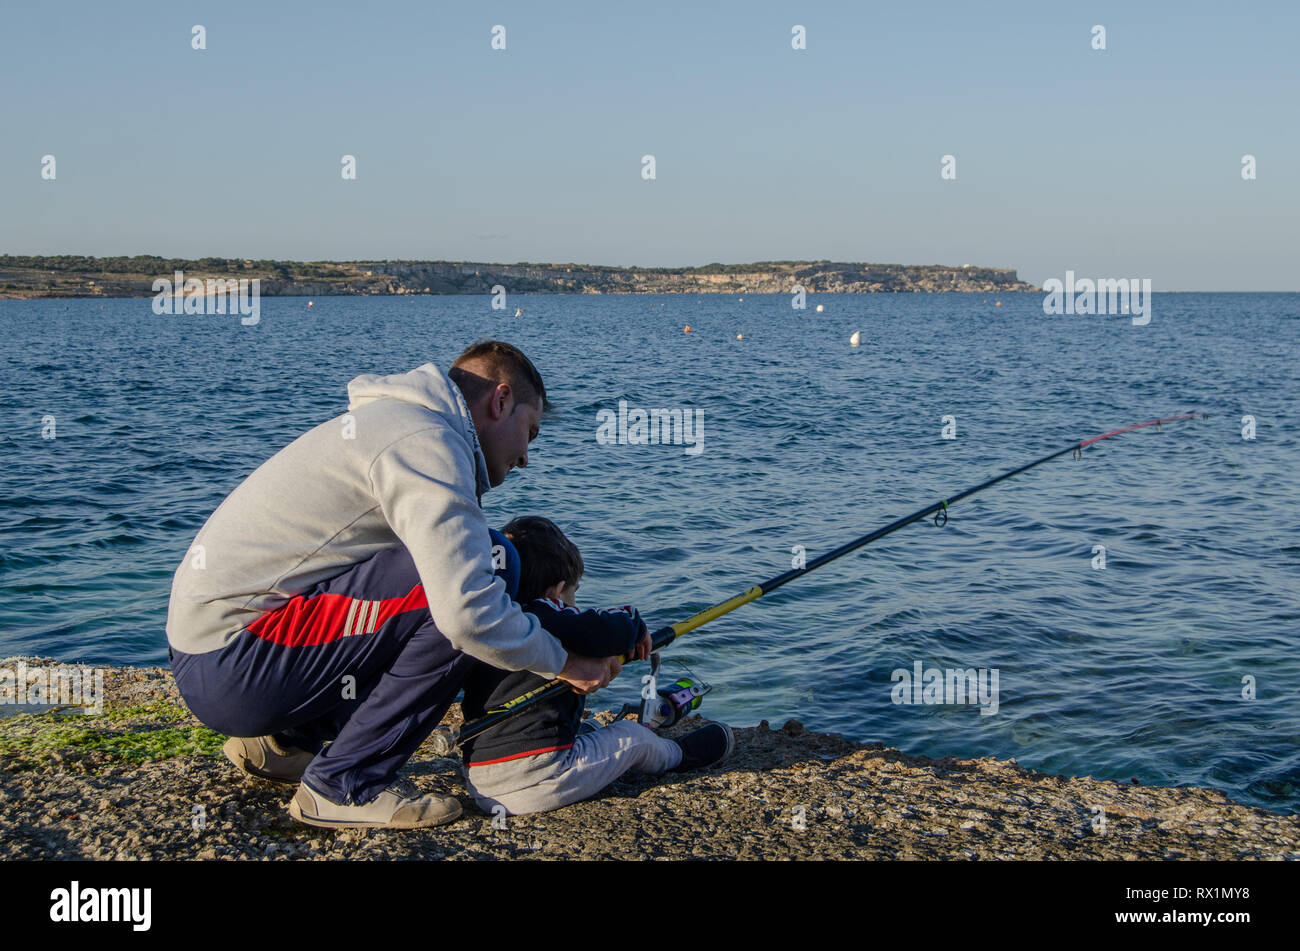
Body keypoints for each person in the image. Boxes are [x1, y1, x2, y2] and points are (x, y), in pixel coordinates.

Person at [165, 341, 623, 829]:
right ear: (501, 400)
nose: (526, 457)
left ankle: (285, 742)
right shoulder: (426, 442)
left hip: (214, 653)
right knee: (490, 562)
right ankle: (346, 784)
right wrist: (564, 663)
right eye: (529, 432)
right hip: (234, 668)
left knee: (456, 564)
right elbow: (466, 612)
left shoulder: (395, 424)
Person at [461, 516, 733, 816]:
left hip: (479, 782)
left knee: (586, 728)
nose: (573, 604)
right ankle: (679, 756)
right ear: (557, 591)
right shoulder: (545, 613)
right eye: (572, 593)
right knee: (634, 736)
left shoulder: (490, 627)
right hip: (541, 780)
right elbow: (604, 630)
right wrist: (634, 622)